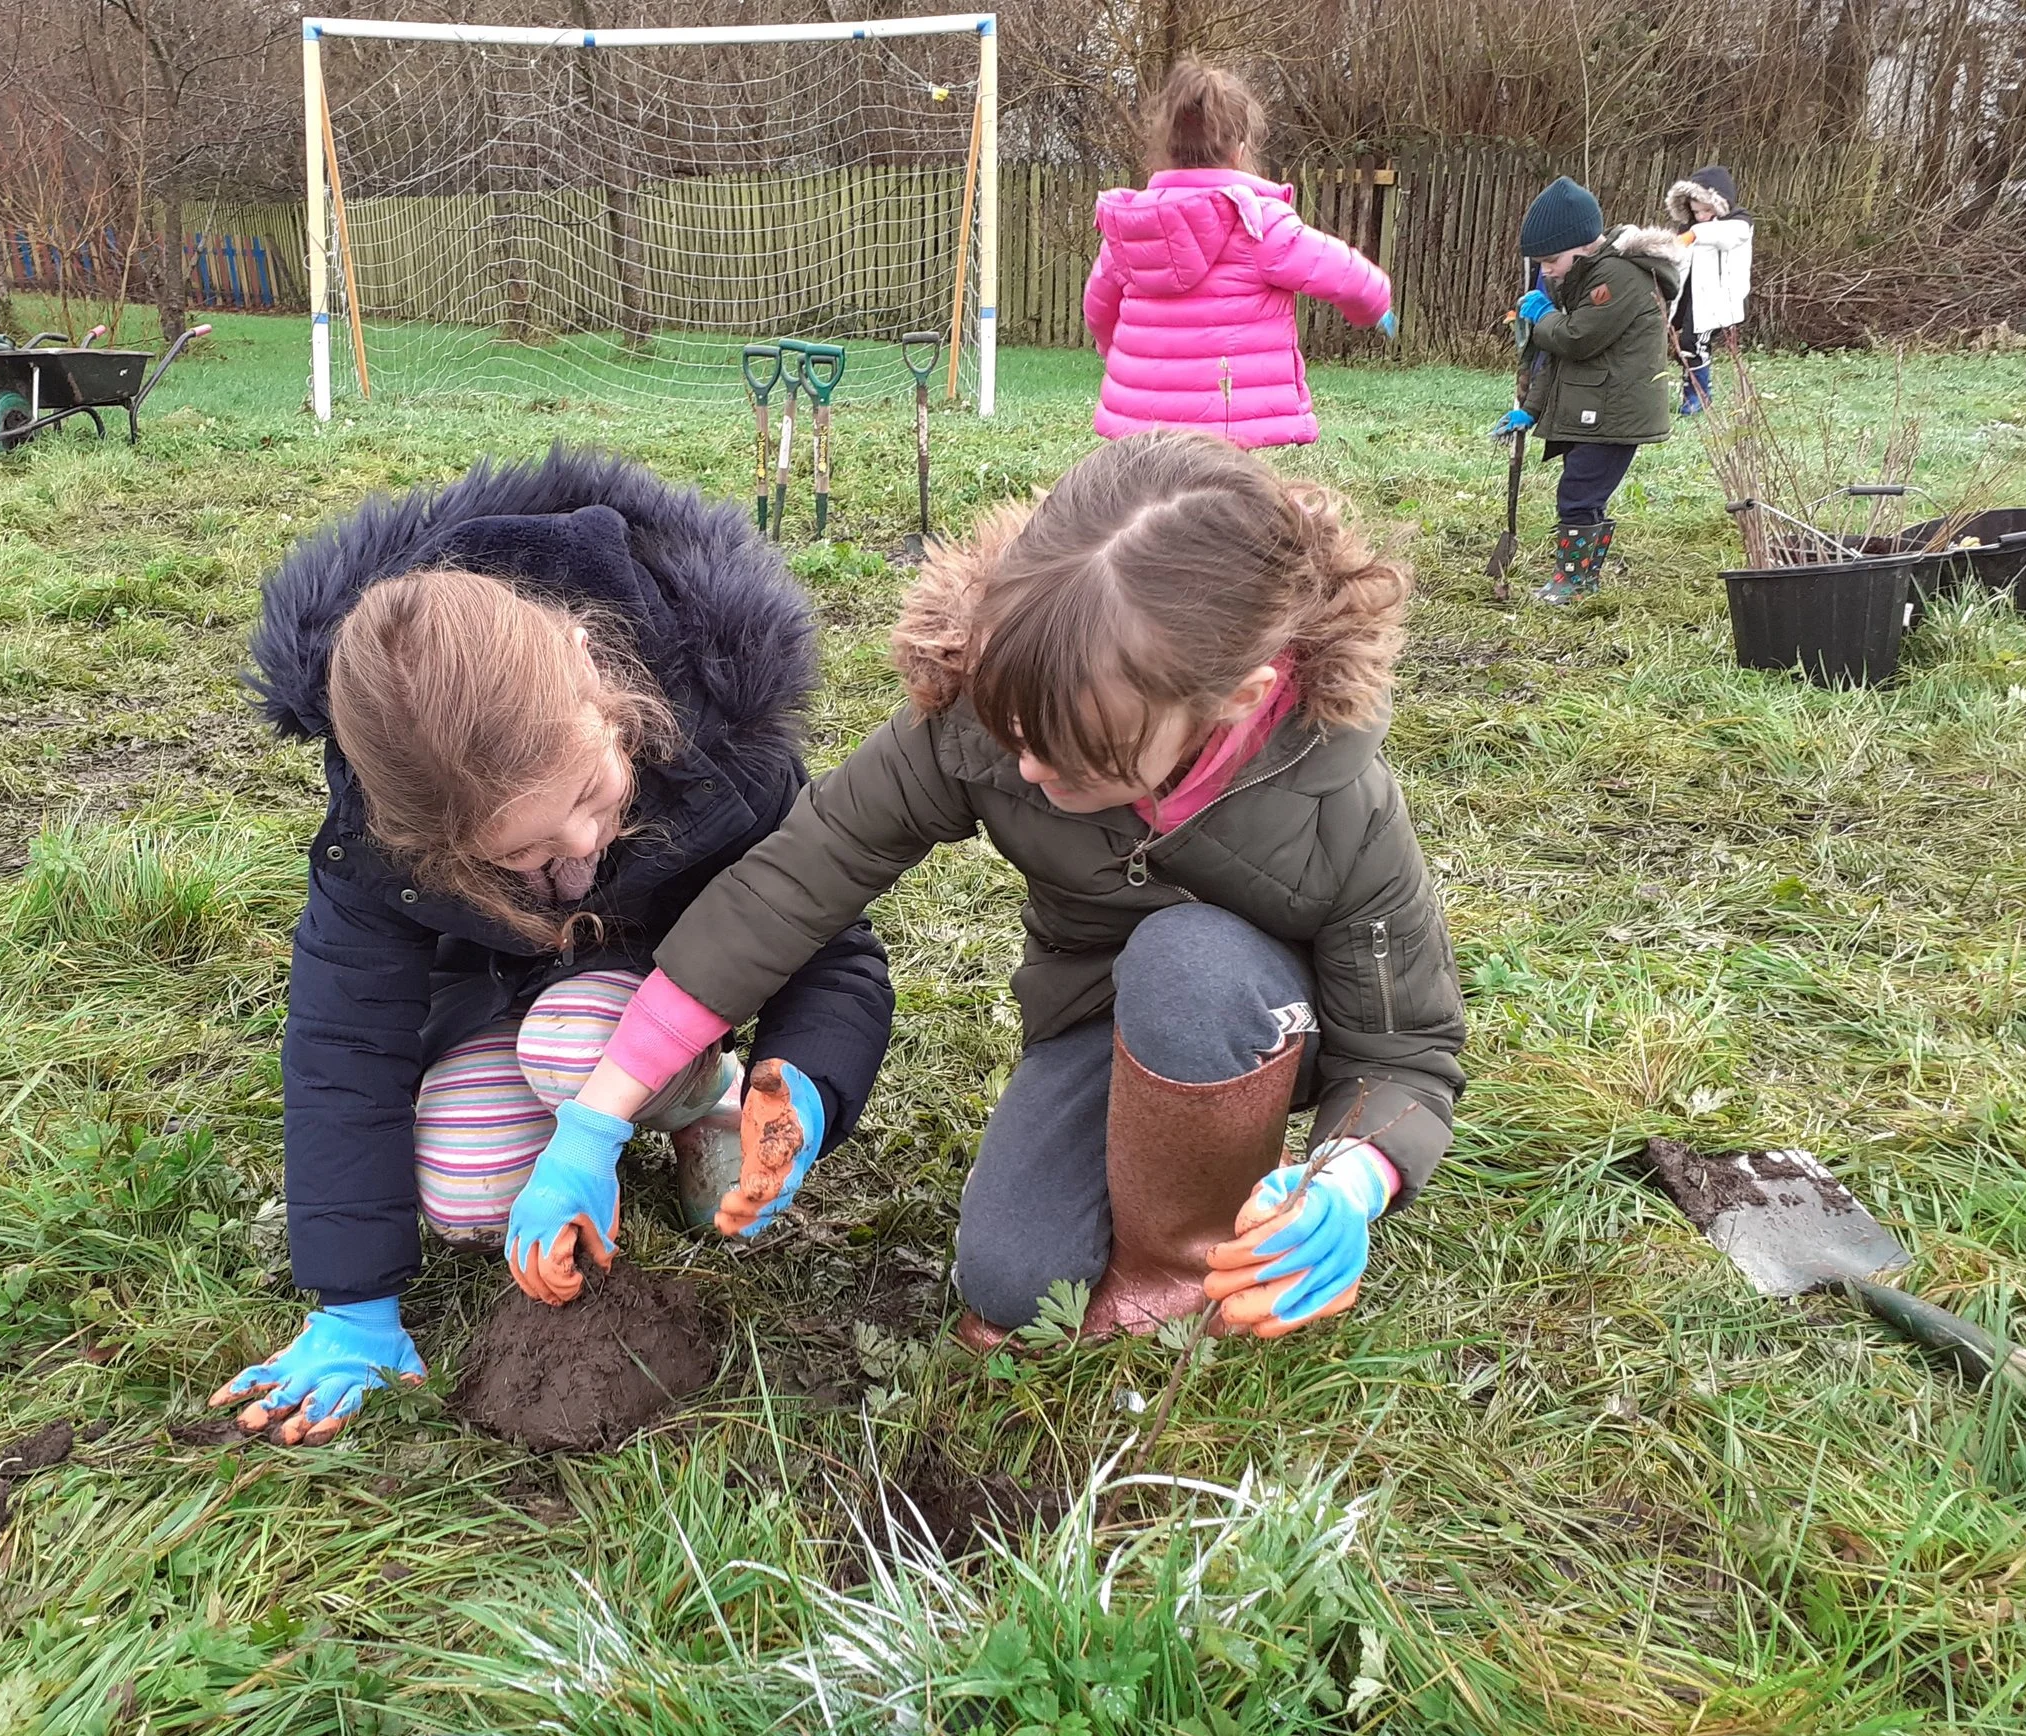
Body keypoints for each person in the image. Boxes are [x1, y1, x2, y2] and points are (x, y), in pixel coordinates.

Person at [504, 430, 1466, 1349]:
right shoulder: (993, 700)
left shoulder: (1335, 798)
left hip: (1255, 1030)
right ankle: (1127, 1226)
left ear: (1237, 698)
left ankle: (1185, 1273)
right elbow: (795, 878)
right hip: (1096, 1016)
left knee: (1192, 961)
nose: (1035, 770)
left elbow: (1407, 1052)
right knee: (1014, 1284)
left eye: (1085, 755)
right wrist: (593, 1121)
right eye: (1018, 736)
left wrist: (1349, 1181)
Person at [214, 448, 896, 1443]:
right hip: (496, 1000)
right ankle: (574, 1156)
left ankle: (698, 1100)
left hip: (652, 993)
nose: (582, 846)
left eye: (592, 797)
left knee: (574, 1048)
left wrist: (806, 1082)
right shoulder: (380, 828)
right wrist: (350, 1301)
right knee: (463, 1184)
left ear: (598, 677)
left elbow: (831, 944)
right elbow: (343, 1043)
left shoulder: (722, 735)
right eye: (526, 854)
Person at [1083, 59, 1395, 447]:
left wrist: (1108, 345)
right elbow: (1346, 275)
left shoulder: (1134, 226)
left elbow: (1097, 307)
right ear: (1240, 150)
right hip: (1227, 423)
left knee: (1157, 499)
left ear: (1166, 149)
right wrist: (1375, 307)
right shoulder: (1256, 223)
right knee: (1222, 499)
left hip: (1143, 427)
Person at [1492, 176, 1684, 603]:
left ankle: (1574, 581)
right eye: (1540, 263)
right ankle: (1580, 579)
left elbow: (1575, 339)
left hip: (1614, 414)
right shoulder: (1586, 275)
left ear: (1582, 245)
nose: (1546, 271)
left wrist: (1543, 317)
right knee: (1584, 493)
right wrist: (1531, 409)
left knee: (1578, 493)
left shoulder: (1617, 277)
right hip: (1593, 408)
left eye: (1551, 260)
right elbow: (1558, 359)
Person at [1665, 165, 1753, 414]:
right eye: (1696, 211)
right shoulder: (1688, 229)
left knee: (1694, 343)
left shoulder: (1738, 223)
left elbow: (1722, 235)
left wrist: (1693, 234)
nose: (1702, 216)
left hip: (1716, 299)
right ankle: (1689, 390)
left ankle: (1698, 397)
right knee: (1682, 343)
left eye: (1707, 210)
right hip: (1688, 296)